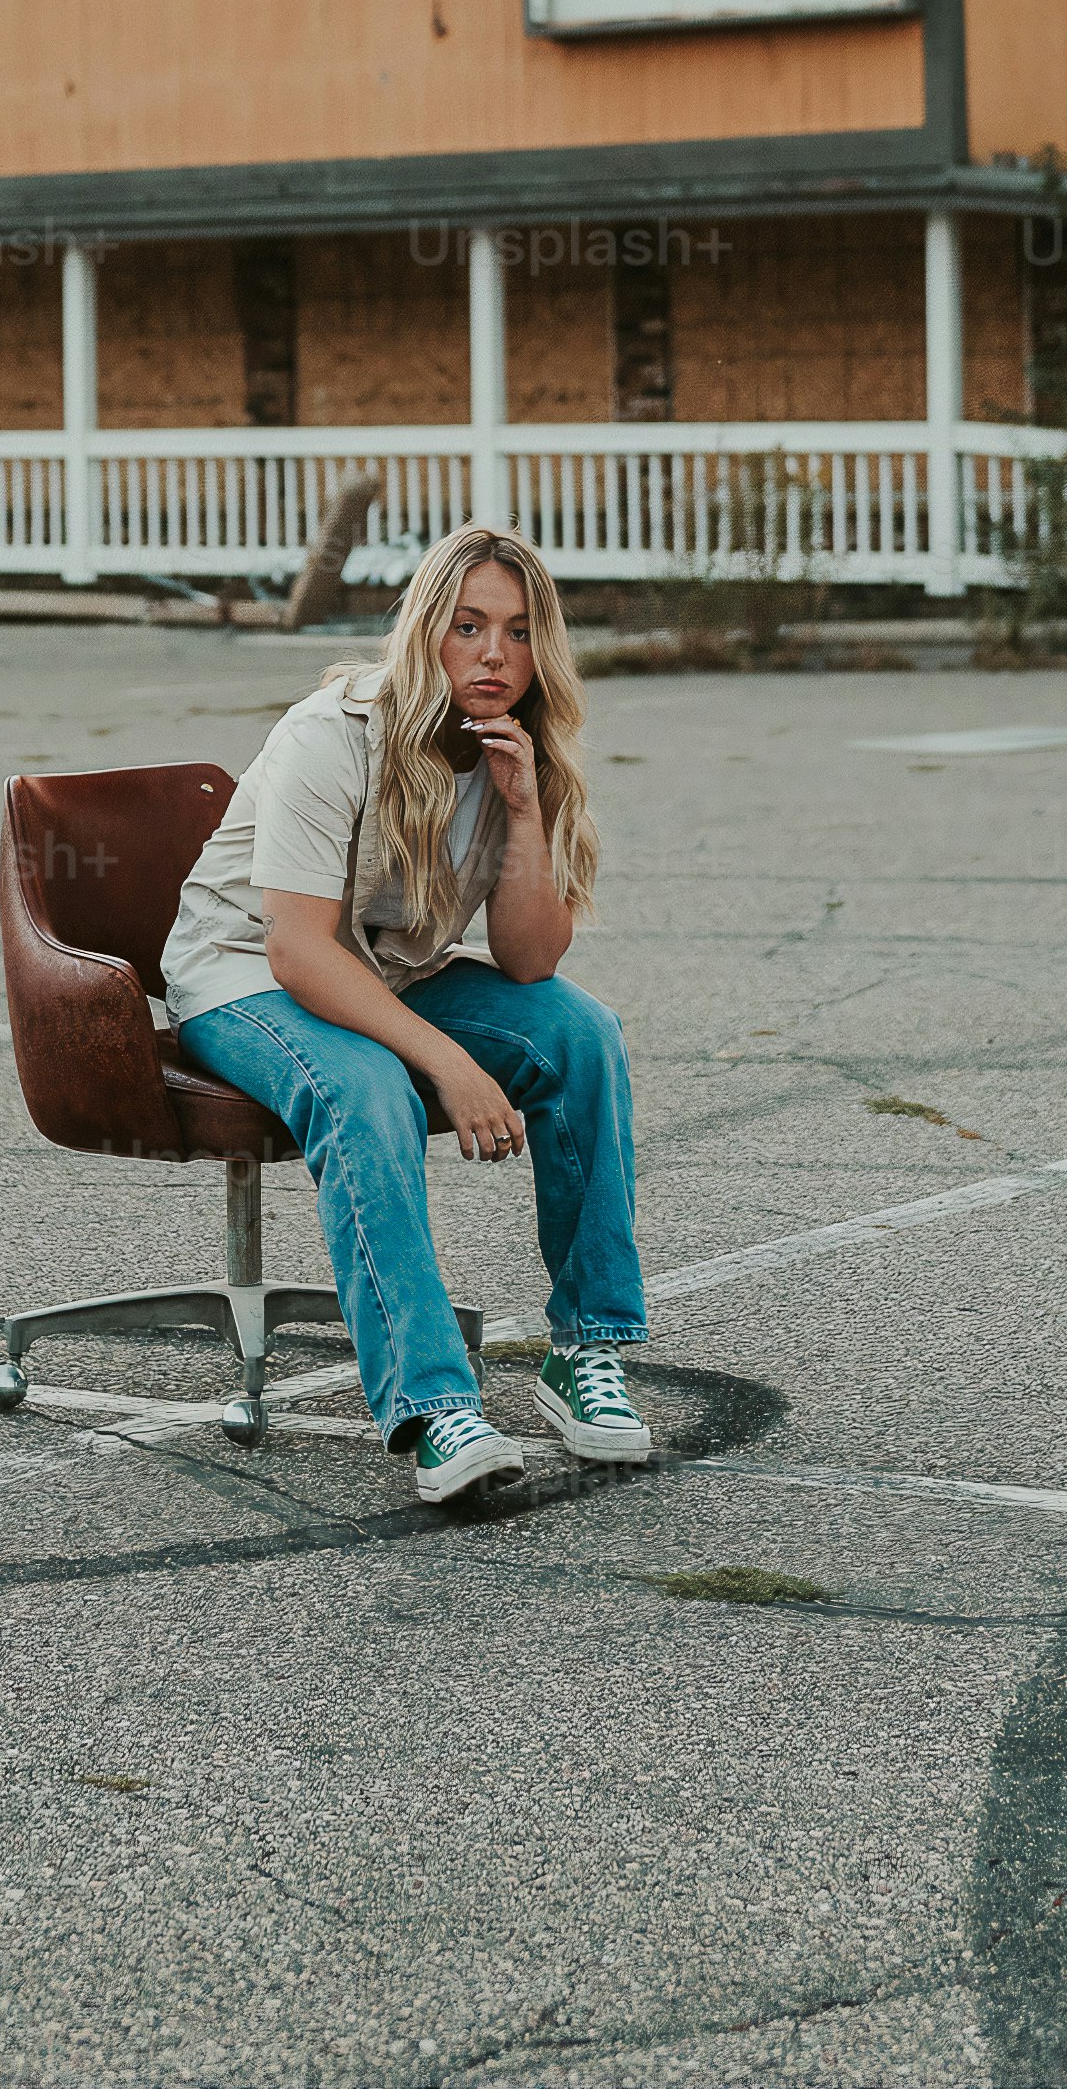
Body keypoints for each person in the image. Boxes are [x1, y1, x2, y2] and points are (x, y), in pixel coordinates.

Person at [161, 521, 651, 1505]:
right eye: (468, 626)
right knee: (365, 1081)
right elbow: (299, 949)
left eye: (516, 632)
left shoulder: (519, 747)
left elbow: (527, 958)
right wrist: (452, 1064)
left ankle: (586, 1351)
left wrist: (523, 809)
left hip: (384, 970)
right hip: (243, 972)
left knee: (580, 1033)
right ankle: (433, 1405)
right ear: (427, 628)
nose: (492, 655)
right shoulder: (331, 734)